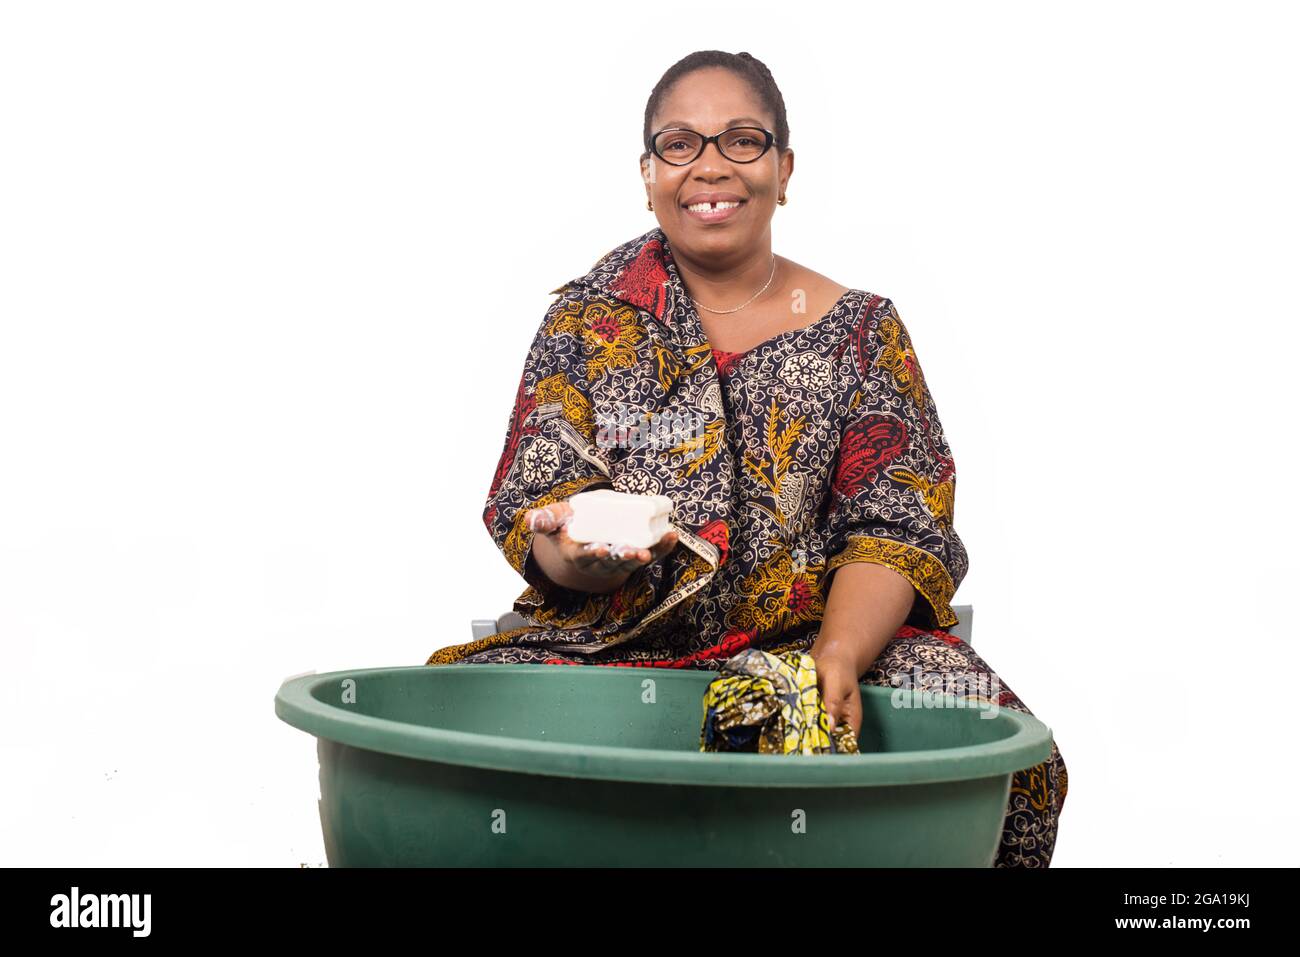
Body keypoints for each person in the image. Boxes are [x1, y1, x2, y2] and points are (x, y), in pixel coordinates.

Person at [426, 50, 1067, 867]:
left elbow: (897, 524)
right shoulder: (588, 324)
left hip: (813, 636)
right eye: (680, 143)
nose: (710, 167)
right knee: (447, 746)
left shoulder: (861, 333)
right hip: (616, 644)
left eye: (741, 139)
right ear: (649, 172)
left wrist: (838, 654)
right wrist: (583, 555)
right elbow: (545, 511)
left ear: (784, 166)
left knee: (1020, 759)